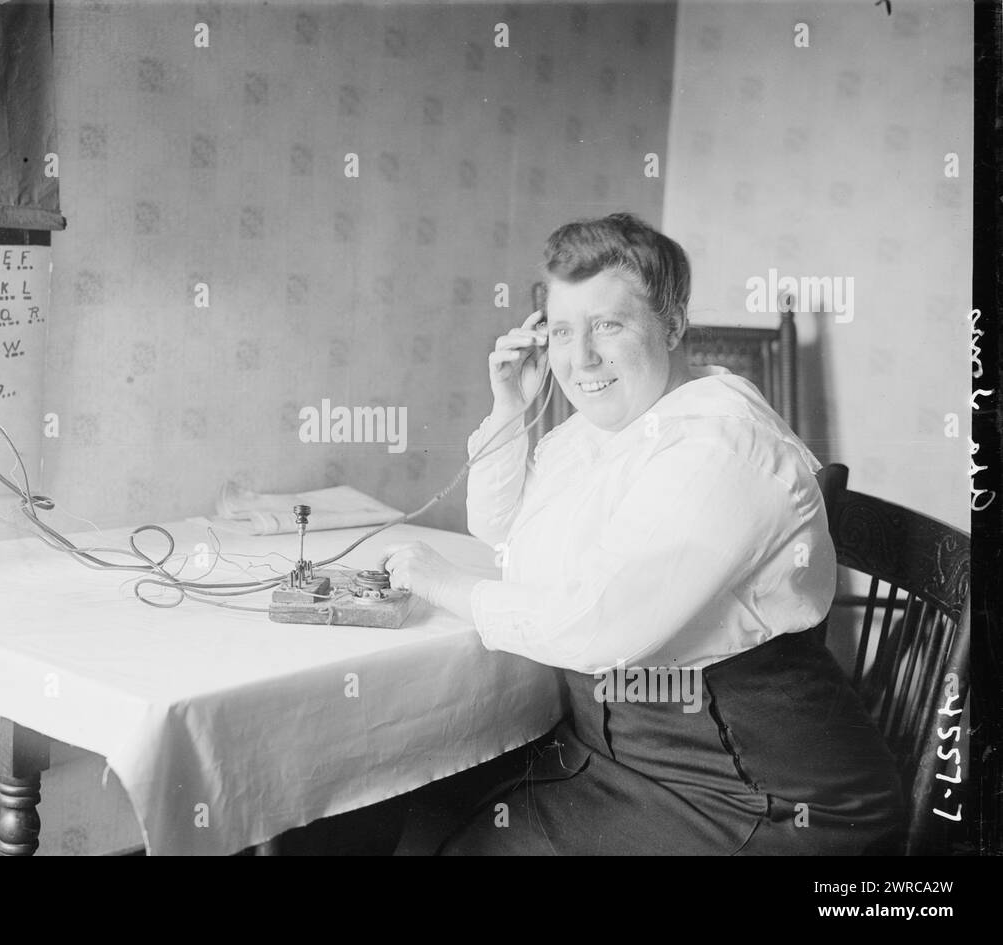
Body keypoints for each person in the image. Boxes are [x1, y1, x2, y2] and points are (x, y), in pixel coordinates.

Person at [379, 213, 905, 855]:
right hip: (622, 757)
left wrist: (441, 581)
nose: (582, 359)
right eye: (563, 331)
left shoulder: (721, 446)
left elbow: (597, 625)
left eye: (608, 325)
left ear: (674, 324)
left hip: (763, 796)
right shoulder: (602, 429)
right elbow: (505, 536)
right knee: (420, 815)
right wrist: (509, 410)